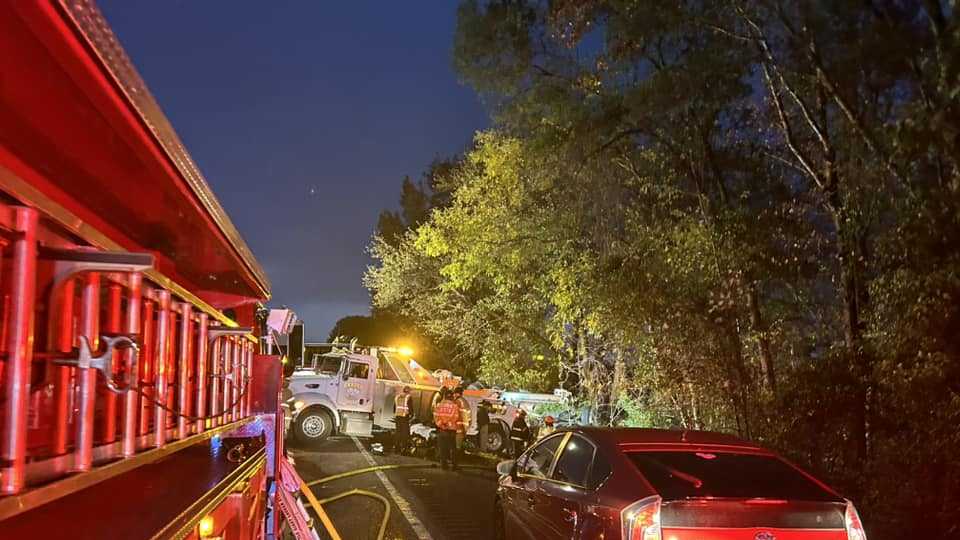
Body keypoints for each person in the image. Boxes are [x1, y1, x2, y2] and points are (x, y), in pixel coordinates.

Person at [433, 388, 461, 470]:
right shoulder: (455, 406)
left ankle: (444, 465)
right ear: (452, 397)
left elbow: (436, 416)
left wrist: (442, 424)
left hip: (442, 430)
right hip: (451, 430)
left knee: (442, 448)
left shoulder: (439, 405)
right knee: (453, 448)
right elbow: (456, 417)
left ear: (444, 396)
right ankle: (454, 465)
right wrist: (448, 423)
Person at [393, 386, 412, 455]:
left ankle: (396, 448)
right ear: (408, 391)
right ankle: (403, 449)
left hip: (398, 417)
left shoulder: (397, 397)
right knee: (405, 433)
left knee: (398, 432)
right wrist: (411, 415)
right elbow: (410, 408)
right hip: (405, 417)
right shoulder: (408, 397)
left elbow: (394, 408)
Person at [453, 386, 470, 457]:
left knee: (455, 447)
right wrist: (466, 430)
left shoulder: (456, 401)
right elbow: (467, 418)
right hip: (459, 430)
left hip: (455, 429)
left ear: (455, 393)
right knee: (457, 447)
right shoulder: (463, 401)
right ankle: (454, 464)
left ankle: (454, 463)